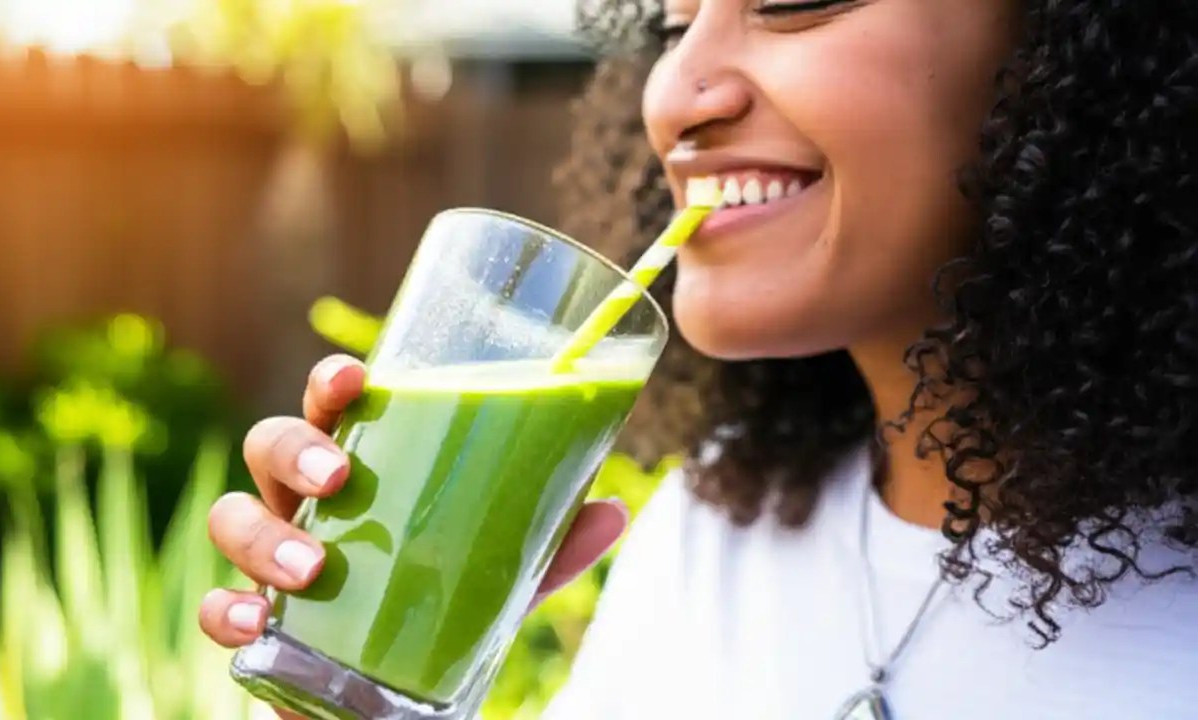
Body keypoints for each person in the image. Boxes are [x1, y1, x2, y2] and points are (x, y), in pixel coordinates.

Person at [198, 0, 1198, 717]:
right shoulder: (711, 528)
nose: (675, 94)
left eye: (792, 2)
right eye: (674, 25)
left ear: (1088, 50)